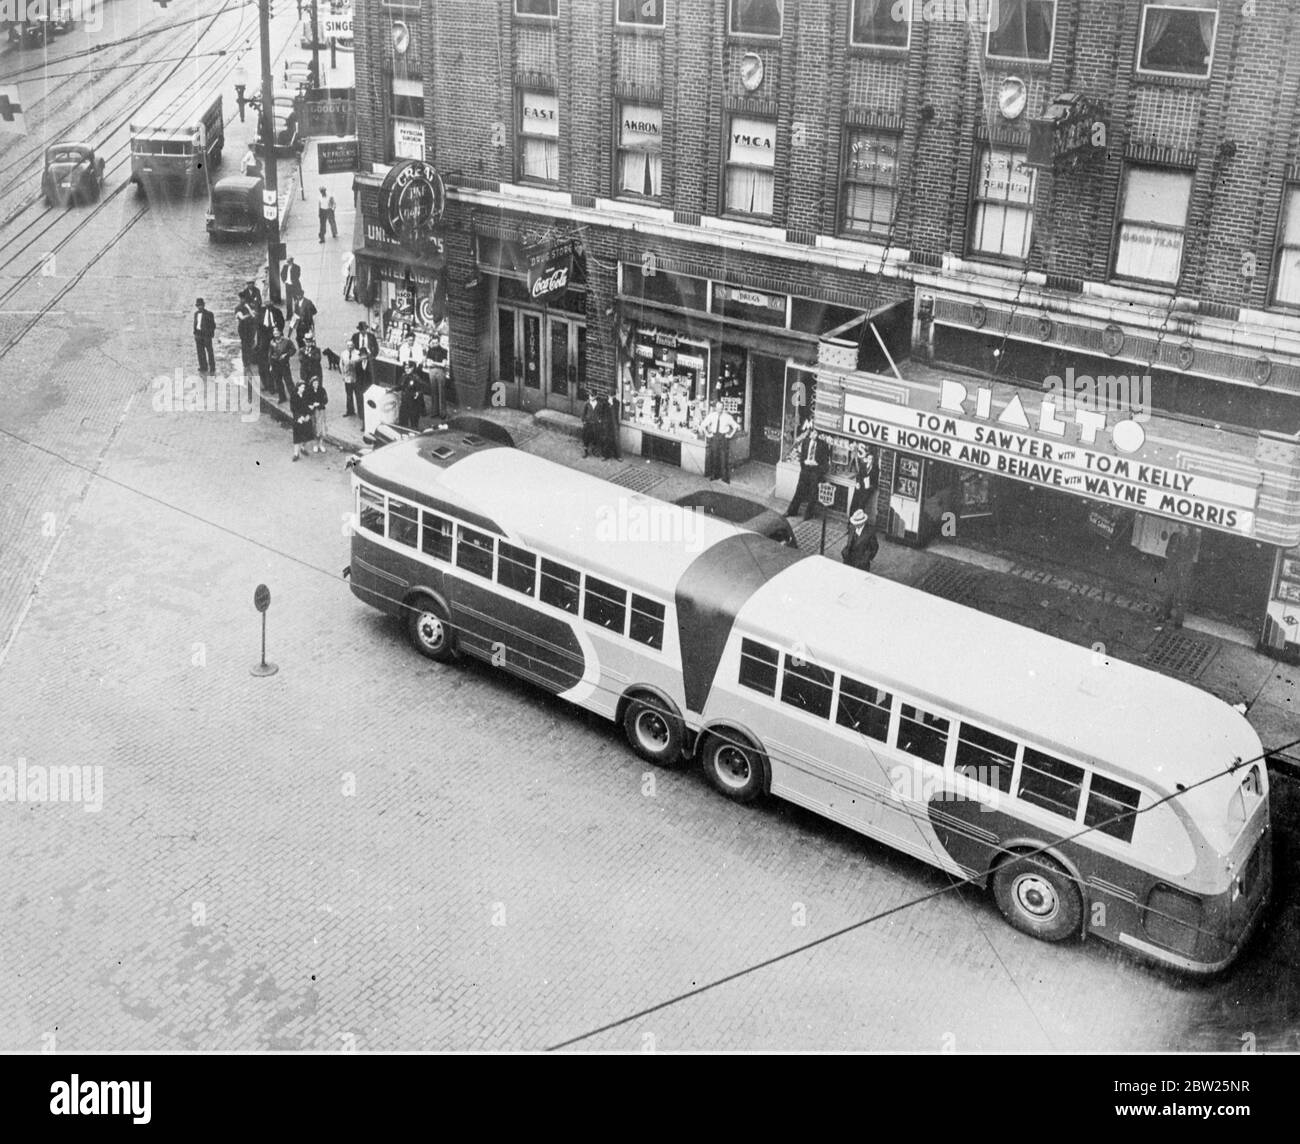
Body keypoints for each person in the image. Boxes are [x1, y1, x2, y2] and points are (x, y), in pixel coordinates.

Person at [785, 419, 830, 521]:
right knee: (799, 490)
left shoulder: (823, 445)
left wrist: (818, 469)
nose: (813, 435)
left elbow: (826, 462)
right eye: (812, 432)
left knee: (813, 493)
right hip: (805, 470)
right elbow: (802, 456)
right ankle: (792, 510)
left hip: (815, 471)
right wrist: (803, 464)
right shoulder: (805, 442)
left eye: (815, 433)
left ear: (818, 434)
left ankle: (808, 514)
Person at [1156, 524, 1199, 627]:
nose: (1182, 530)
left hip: (1184, 570)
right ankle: (1165, 614)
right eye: (1181, 527)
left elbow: (1191, 554)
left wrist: (1176, 554)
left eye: (1184, 528)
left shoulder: (1193, 539)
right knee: (1168, 593)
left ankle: (1178, 620)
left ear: (1189, 529)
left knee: (1181, 595)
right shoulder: (1175, 536)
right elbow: (1167, 552)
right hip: (1174, 569)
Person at [848, 442, 878, 520]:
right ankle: (850, 521)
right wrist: (857, 483)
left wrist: (870, 487)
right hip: (859, 488)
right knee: (854, 505)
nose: (870, 461)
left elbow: (875, 483)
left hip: (866, 491)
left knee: (861, 507)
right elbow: (859, 475)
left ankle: (858, 523)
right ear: (866, 459)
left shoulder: (875, 469)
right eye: (869, 459)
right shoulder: (863, 466)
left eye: (871, 459)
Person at [268, 328, 296, 403]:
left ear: (280, 332)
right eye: (274, 332)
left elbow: (293, 350)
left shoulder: (287, 341)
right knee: (278, 381)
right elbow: (270, 354)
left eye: (277, 332)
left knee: (288, 381)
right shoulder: (272, 342)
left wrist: (286, 354)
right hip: (275, 364)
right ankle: (282, 397)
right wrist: (270, 365)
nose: (275, 333)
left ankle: (294, 397)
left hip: (284, 364)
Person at [289, 379, 313, 461]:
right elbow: (293, 409)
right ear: (298, 388)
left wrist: (308, 415)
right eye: (302, 387)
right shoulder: (294, 396)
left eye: (304, 387)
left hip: (306, 417)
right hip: (298, 419)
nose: (303, 389)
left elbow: (308, 406)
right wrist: (299, 417)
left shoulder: (305, 395)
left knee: (307, 435)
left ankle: (303, 448)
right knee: (297, 437)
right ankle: (296, 454)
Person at [714, 400, 739, 484]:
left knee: (724, 457)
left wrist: (730, 435)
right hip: (715, 437)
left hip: (723, 437)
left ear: (723, 408)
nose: (719, 409)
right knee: (715, 456)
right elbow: (704, 424)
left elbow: (735, 426)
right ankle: (715, 475)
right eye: (717, 408)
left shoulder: (727, 417)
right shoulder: (712, 416)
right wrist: (708, 433)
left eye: (720, 408)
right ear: (715, 408)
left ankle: (725, 478)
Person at [235, 295, 258, 379]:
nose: (243, 300)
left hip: (251, 328)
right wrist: (250, 313)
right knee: (244, 345)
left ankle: (250, 359)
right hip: (243, 329)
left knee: (251, 343)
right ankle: (245, 362)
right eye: (242, 298)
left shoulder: (249, 306)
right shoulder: (238, 308)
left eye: (244, 298)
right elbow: (242, 318)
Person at [307, 371, 329, 454]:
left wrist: (319, 403)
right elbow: (307, 401)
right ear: (312, 383)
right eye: (314, 383)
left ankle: (321, 444)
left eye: (317, 383)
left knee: (322, 427)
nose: (316, 384)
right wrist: (312, 404)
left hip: (321, 411)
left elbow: (326, 400)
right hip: (314, 412)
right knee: (315, 428)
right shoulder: (309, 391)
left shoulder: (322, 390)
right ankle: (315, 445)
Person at [398, 361, 423, 429]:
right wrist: (391, 389)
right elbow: (399, 386)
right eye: (405, 368)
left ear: (413, 368)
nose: (407, 370)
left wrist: (417, 393)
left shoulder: (416, 378)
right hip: (404, 402)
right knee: (402, 422)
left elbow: (421, 389)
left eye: (409, 368)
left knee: (414, 423)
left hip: (413, 404)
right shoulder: (403, 376)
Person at [192, 298, 215, 374]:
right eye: (198, 306)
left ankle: (212, 367)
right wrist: (195, 333)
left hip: (206, 335)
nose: (199, 307)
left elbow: (213, 325)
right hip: (198, 335)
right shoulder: (196, 314)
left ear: (203, 305)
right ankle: (203, 367)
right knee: (200, 352)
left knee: (209, 352)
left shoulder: (209, 314)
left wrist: (210, 335)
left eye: (201, 305)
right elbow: (195, 324)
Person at [343, 347, 363, 417]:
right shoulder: (344, 354)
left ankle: (360, 413)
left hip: (356, 380)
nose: (350, 347)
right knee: (349, 395)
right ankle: (350, 411)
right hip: (348, 379)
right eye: (348, 346)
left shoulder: (358, 358)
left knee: (358, 396)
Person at [581, 393, 600, 458]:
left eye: (592, 396)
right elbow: (583, 413)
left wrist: (599, 420)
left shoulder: (598, 404)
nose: (591, 397)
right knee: (586, 437)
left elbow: (600, 413)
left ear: (596, 396)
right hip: (588, 423)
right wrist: (584, 421)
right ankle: (585, 451)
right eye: (590, 396)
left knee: (595, 437)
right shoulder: (587, 403)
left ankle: (594, 450)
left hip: (595, 423)